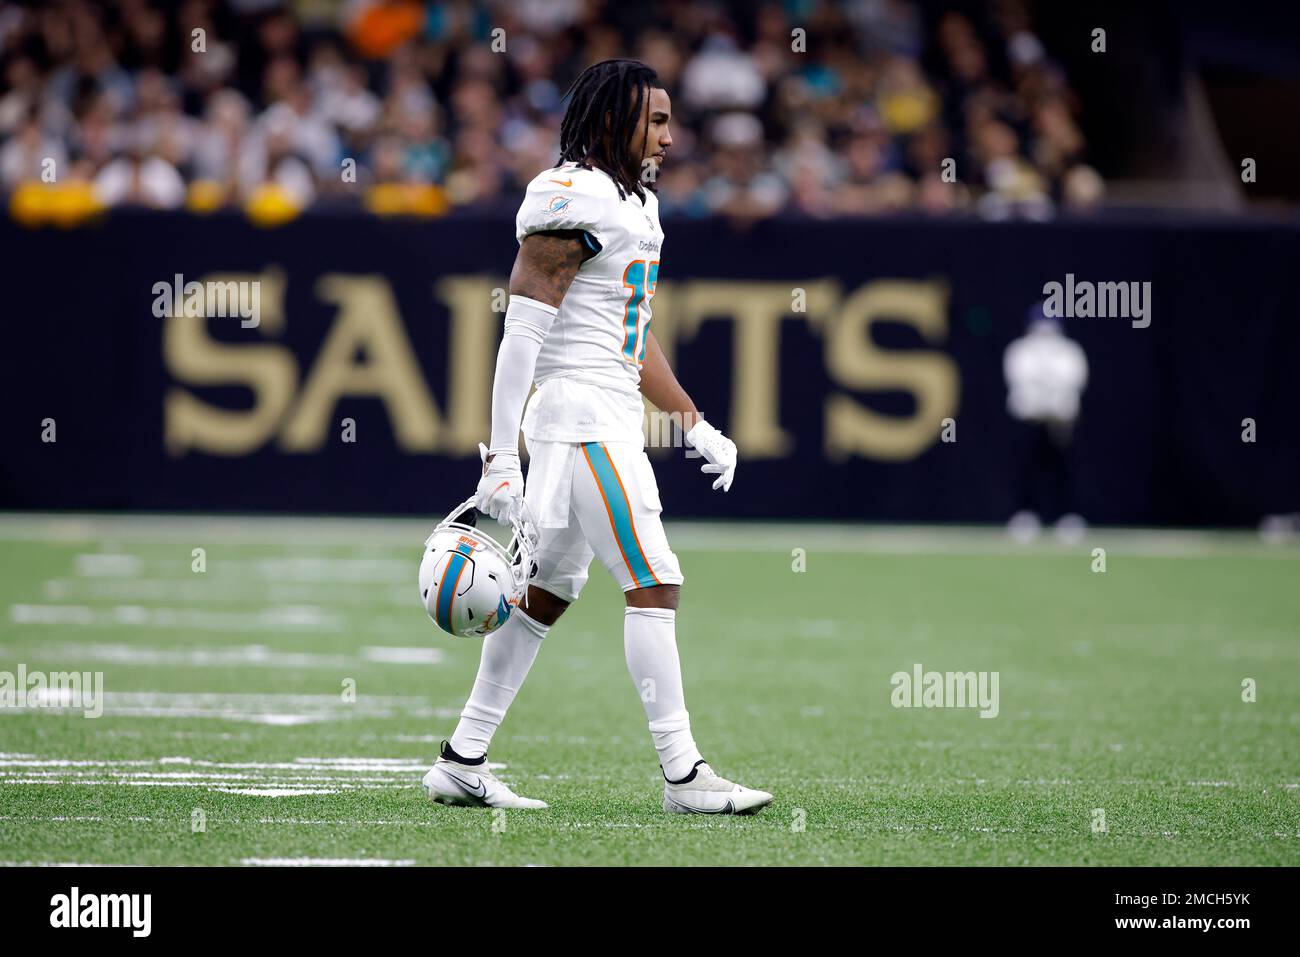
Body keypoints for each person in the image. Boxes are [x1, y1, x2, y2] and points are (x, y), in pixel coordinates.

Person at [421, 59, 773, 816]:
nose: (671, 138)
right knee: (654, 579)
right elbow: (520, 333)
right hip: (581, 422)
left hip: (602, 413)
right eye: (656, 121)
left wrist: (693, 421)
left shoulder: (632, 203)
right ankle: (684, 774)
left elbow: (631, 336)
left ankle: (462, 757)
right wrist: (497, 455)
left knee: (545, 593)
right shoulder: (572, 194)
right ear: (613, 120)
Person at [1003, 305, 1089, 542]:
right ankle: (1025, 515)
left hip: (1060, 423)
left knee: (1061, 470)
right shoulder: (1020, 350)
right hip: (1030, 419)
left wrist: (1057, 405)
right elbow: (1020, 382)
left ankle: (1067, 516)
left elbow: (1074, 382)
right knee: (1026, 468)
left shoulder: (1069, 351)